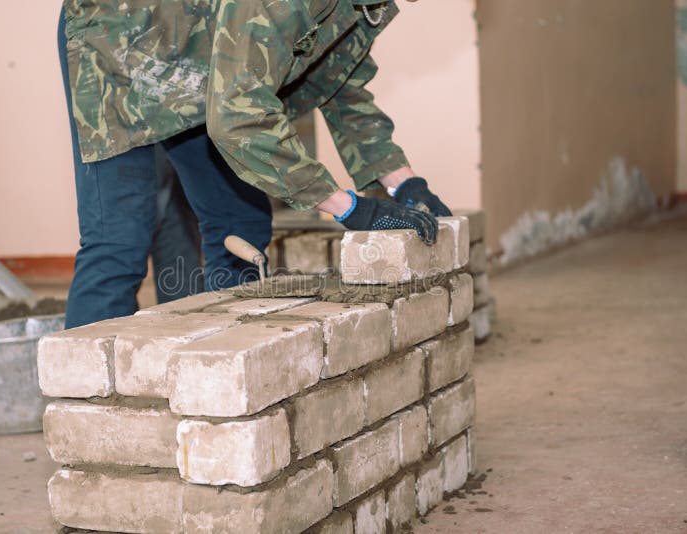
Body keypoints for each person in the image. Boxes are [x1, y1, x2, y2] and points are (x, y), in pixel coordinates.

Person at [58, 0, 452, 328]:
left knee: (239, 224)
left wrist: (405, 184)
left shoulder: (364, 4)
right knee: (118, 242)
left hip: (197, 59)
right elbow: (237, 116)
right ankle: (82, 409)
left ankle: (222, 371)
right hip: (115, 36)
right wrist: (349, 208)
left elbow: (340, 85)